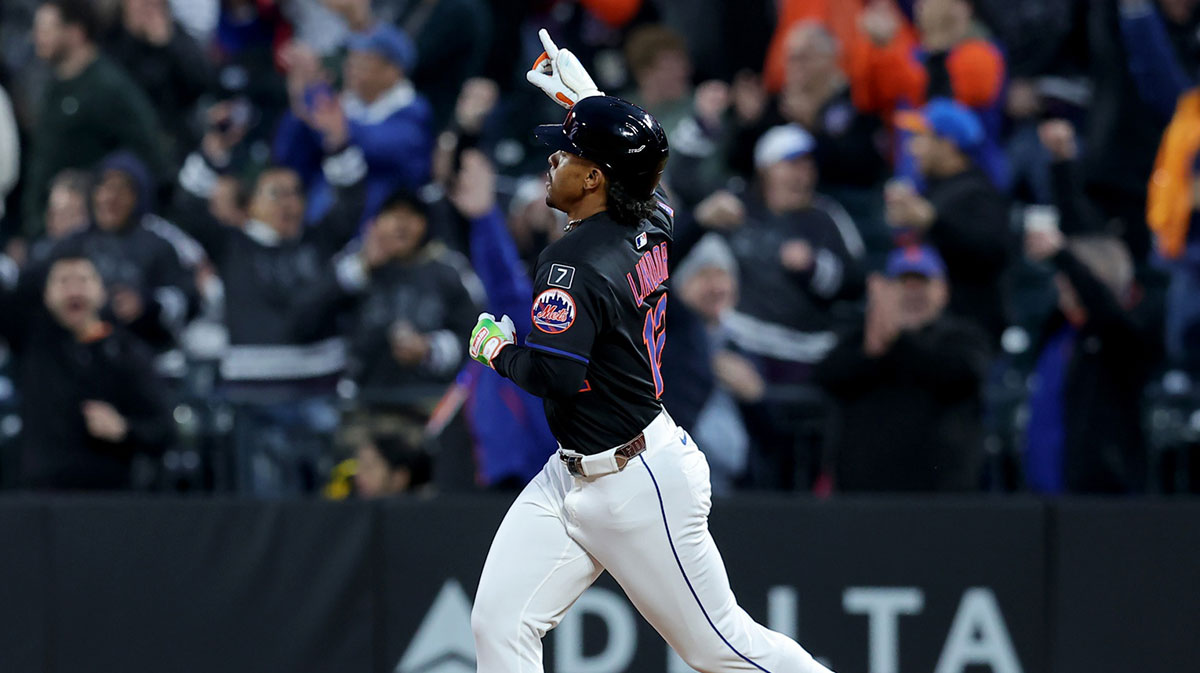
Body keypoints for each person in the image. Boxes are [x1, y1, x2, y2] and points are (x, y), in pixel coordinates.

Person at [467, 30, 833, 673]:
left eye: (566, 155)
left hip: (638, 481)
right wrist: (587, 98)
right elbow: (641, 165)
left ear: (597, 177)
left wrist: (497, 350)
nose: (553, 163)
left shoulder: (572, 261)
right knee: (498, 625)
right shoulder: (652, 214)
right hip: (576, 468)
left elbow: (553, 372)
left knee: (719, 647)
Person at [174, 104, 367, 495]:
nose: (288, 203)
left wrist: (338, 144)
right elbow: (188, 208)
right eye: (275, 193)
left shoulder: (317, 240)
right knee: (269, 515)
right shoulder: (233, 246)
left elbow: (352, 201)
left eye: (296, 193)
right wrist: (213, 151)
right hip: (255, 403)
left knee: (327, 511)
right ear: (251, 205)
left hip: (320, 395)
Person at [816, 245, 989, 491]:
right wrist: (870, 350)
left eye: (922, 283)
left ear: (943, 290)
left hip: (939, 499)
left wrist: (896, 340)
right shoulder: (861, 339)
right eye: (904, 283)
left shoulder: (960, 337)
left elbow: (960, 375)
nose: (913, 293)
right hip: (862, 499)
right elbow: (827, 376)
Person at [0, 248, 174, 490]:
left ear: (102, 291)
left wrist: (124, 429)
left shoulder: (127, 352)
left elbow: (164, 430)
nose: (73, 290)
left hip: (105, 501)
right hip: (39, 502)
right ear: (46, 294)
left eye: (83, 280)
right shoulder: (31, 337)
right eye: (62, 281)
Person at [1024, 229, 1161, 493]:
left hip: (1103, 493)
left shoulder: (1126, 338)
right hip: (1045, 488)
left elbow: (1108, 314)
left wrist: (1064, 257)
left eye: (1071, 276)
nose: (1061, 282)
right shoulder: (1061, 330)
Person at [23, 0, 168, 239]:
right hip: (46, 228)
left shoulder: (109, 87)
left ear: (76, 33)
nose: (38, 37)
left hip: (94, 232)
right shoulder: (52, 86)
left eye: (47, 29)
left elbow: (150, 154)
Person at [274, 23, 433, 224]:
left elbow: (374, 144)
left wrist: (316, 97)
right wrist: (299, 100)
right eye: (352, 58)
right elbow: (288, 156)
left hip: (375, 228)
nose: (352, 67)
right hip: (321, 226)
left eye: (364, 60)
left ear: (393, 70)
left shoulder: (413, 113)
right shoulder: (345, 105)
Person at [45, 151, 200, 352]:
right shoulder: (72, 244)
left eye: (121, 189)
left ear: (138, 197)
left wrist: (147, 305)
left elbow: (189, 298)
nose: (110, 197)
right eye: (103, 187)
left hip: (145, 356)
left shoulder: (159, 243)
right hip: (79, 357)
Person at [889, 98, 1012, 343]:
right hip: (937, 327)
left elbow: (994, 251)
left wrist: (933, 222)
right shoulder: (935, 188)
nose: (912, 149)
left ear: (948, 144)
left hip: (970, 333)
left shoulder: (976, 192)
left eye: (920, 138)